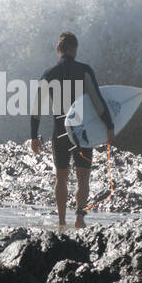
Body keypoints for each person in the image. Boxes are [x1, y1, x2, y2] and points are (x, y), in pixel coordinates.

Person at [30, 31, 113, 230]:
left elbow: (37, 109)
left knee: (61, 177)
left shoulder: (48, 73)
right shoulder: (84, 70)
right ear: (75, 49)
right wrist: (109, 125)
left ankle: (60, 221)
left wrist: (34, 136)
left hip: (60, 131)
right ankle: (79, 218)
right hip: (82, 132)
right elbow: (97, 101)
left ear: (58, 50)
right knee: (83, 177)